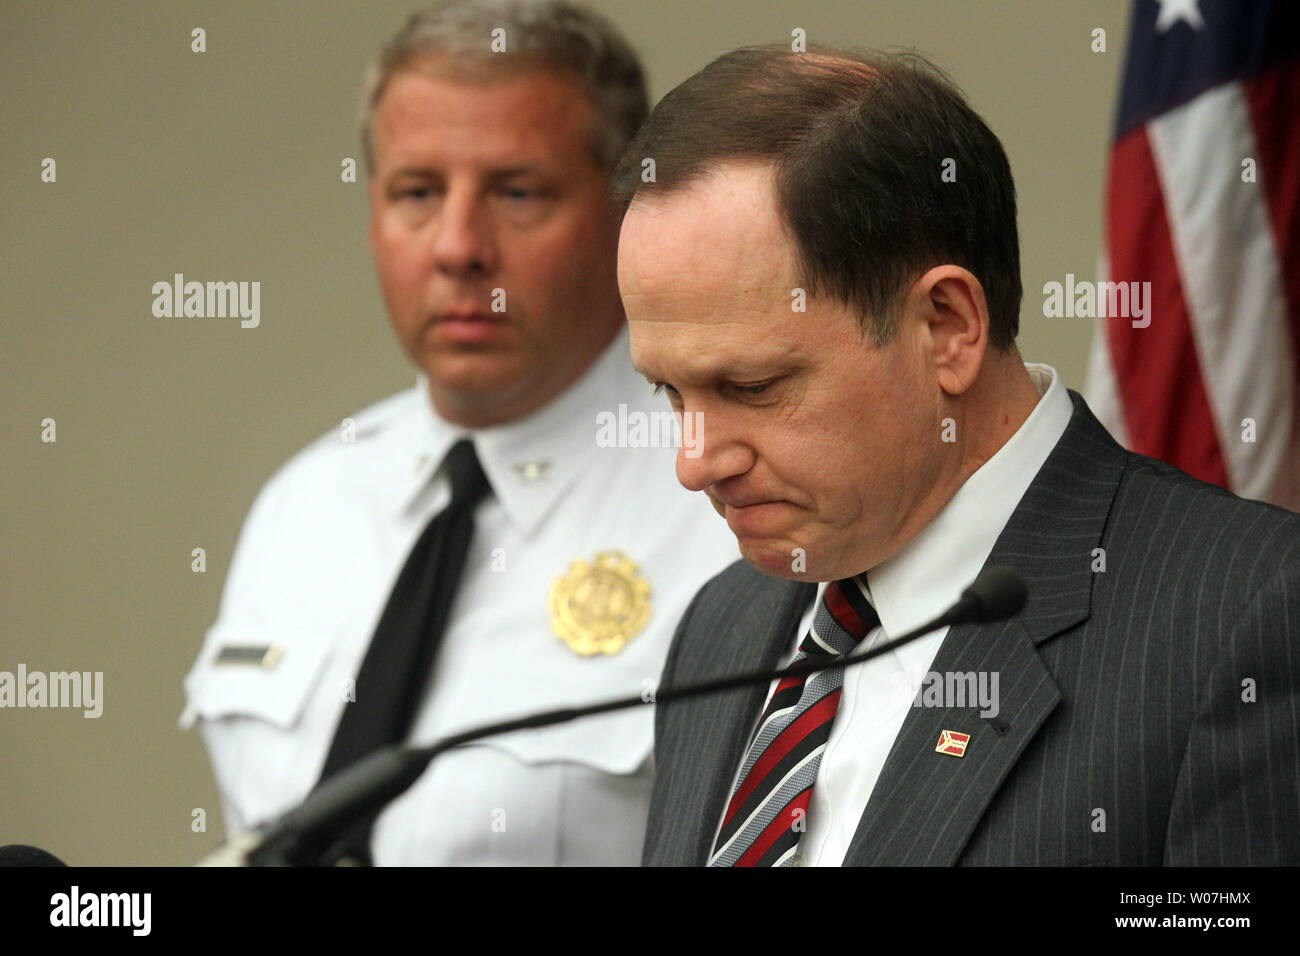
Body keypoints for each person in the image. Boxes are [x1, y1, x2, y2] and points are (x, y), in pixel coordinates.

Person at [612, 44, 1300, 866]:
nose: (695, 463)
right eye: (670, 394)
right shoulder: (727, 624)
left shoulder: (1244, 616)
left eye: (754, 386)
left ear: (947, 328)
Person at [179, 0, 737, 866]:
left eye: (518, 192)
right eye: (418, 193)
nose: (459, 247)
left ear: (626, 210)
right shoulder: (304, 505)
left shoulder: (724, 499)